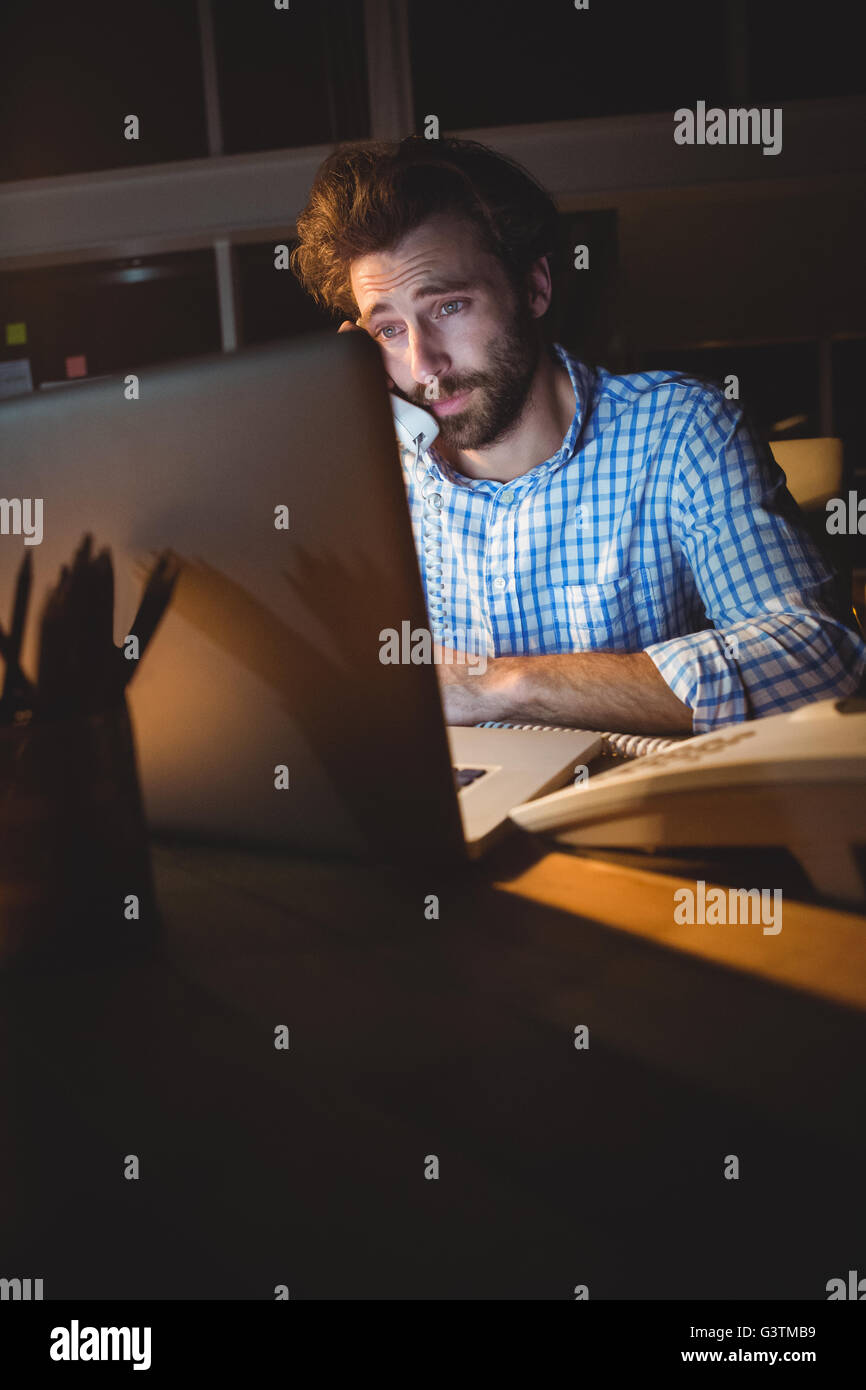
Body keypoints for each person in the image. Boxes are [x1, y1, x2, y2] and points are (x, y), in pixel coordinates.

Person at [290, 135, 866, 733]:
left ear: (534, 288)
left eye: (449, 307)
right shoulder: (371, 477)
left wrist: (500, 685)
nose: (424, 364)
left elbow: (819, 657)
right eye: (388, 331)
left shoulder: (680, 431)